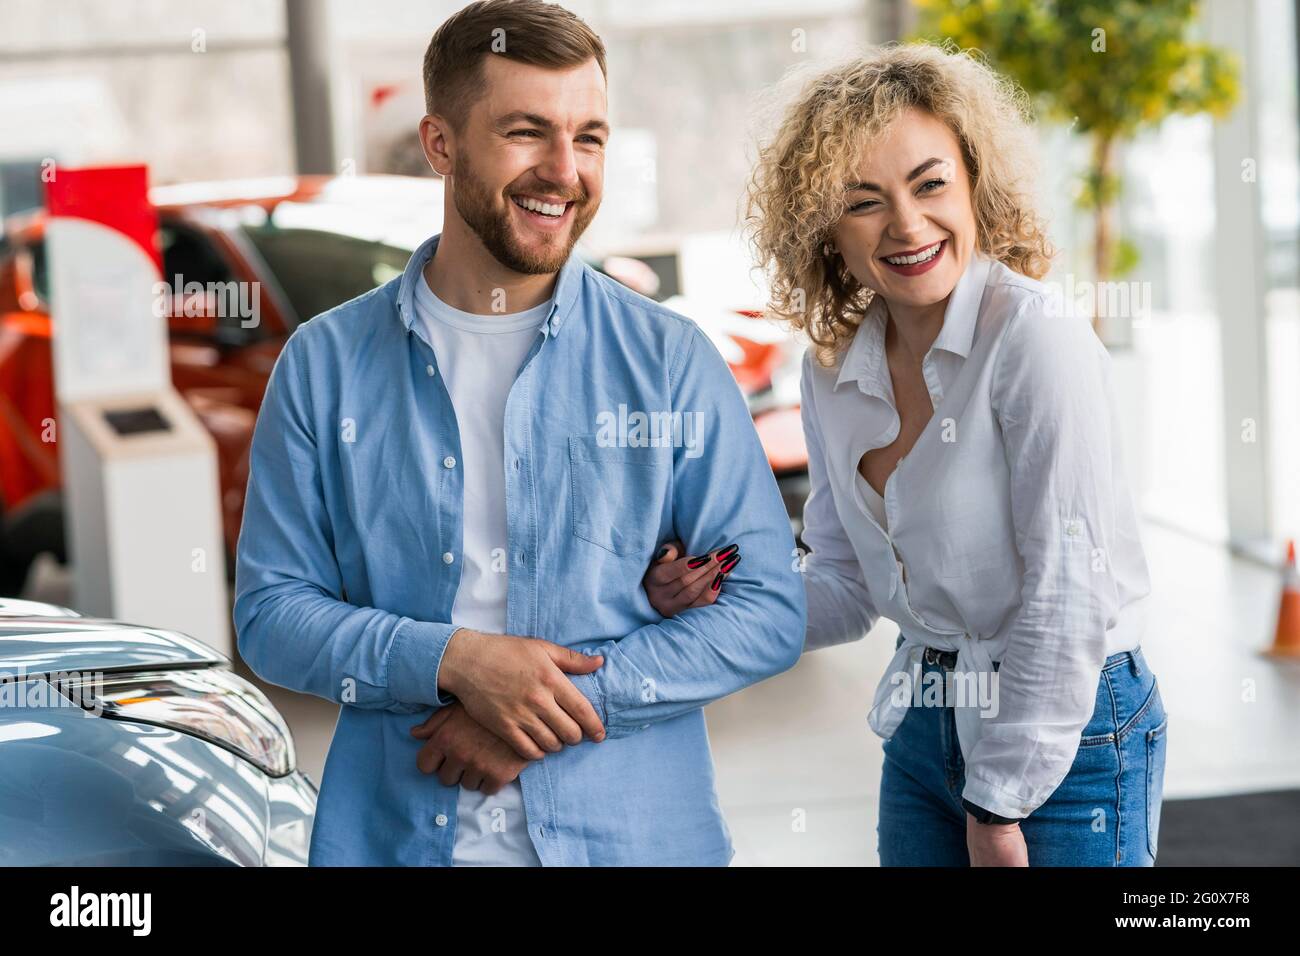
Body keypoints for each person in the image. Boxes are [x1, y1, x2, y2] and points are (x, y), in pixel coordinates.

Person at [234, 0, 805, 867]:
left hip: (633, 841)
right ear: (440, 145)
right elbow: (273, 616)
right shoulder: (323, 366)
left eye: (590, 137)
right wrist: (455, 661)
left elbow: (765, 608)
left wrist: (538, 713)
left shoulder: (668, 361)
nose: (564, 171)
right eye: (527, 133)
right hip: (392, 839)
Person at [645, 43, 1166, 867]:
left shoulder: (1034, 339)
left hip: (1070, 722)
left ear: (974, 186)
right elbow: (849, 584)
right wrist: (713, 599)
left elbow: (1069, 595)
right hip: (927, 709)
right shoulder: (831, 370)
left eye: (930, 184)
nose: (907, 225)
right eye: (863, 201)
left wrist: (998, 804)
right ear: (825, 231)